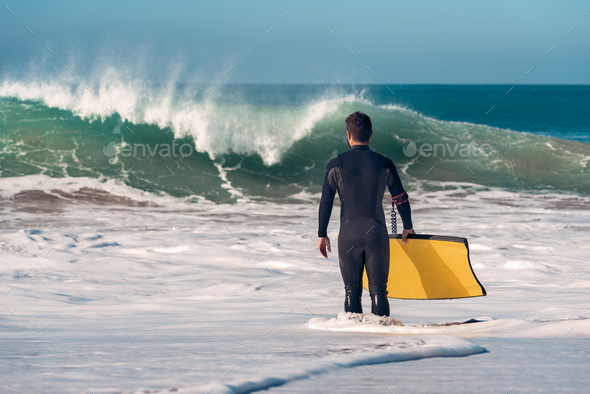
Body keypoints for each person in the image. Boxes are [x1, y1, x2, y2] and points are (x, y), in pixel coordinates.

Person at [317, 111, 415, 317]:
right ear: (371, 134)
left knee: (352, 292)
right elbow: (401, 198)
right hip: (376, 234)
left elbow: (326, 202)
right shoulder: (384, 163)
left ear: (348, 135)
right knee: (379, 291)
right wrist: (408, 226)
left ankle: (355, 345)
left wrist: (322, 234)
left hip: (348, 235)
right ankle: (382, 341)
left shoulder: (335, 164)